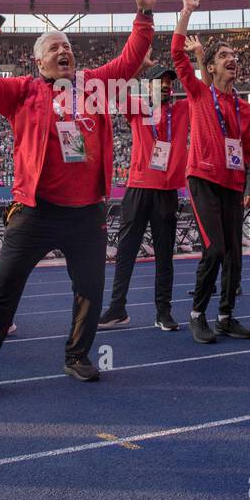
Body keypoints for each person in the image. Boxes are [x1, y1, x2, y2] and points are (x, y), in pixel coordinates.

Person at [0, 0, 158, 387]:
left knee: (89, 289)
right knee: (4, 287)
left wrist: (144, 13)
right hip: (35, 210)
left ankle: (78, 355)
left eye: (67, 47)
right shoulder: (23, 92)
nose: (63, 52)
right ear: (38, 62)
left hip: (86, 213)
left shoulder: (95, 86)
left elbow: (130, 60)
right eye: (54, 49)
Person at [174, 0, 250, 344]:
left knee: (235, 255)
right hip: (202, 179)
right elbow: (177, 53)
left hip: (233, 184)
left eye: (235, 55)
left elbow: (248, 152)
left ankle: (226, 316)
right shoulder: (200, 92)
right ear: (212, 66)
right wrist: (187, 11)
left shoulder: (244, 108)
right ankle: (196, 314)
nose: (232, 58)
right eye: (224, 55)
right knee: (215, 249)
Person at [99, 57, 191, 331]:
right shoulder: (137, 107)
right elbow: (114, 88)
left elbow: (200, 90)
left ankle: (163, 312)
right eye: (159, 82)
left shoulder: (183, 109)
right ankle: (117, 308)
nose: (165, 86)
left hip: (166, 192)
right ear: (147, 86)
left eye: (168, 82)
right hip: (138, 187)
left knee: (165, 256)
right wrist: (137, 66)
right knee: (125, 252)